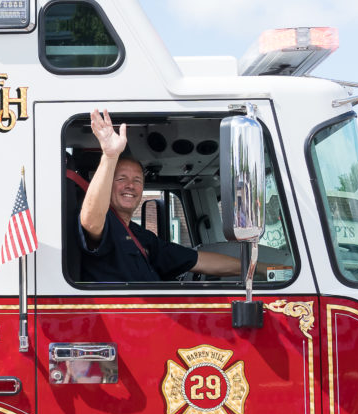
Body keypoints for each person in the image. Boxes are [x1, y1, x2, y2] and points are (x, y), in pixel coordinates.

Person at [78, 109, 240, 283]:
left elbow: (197, 260)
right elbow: (91, 221)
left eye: (137, 180)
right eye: (121, 178)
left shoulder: (140, 235)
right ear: (108, 185)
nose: (130, 186)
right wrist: (110, 157)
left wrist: (260, 267)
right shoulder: (106, 223)